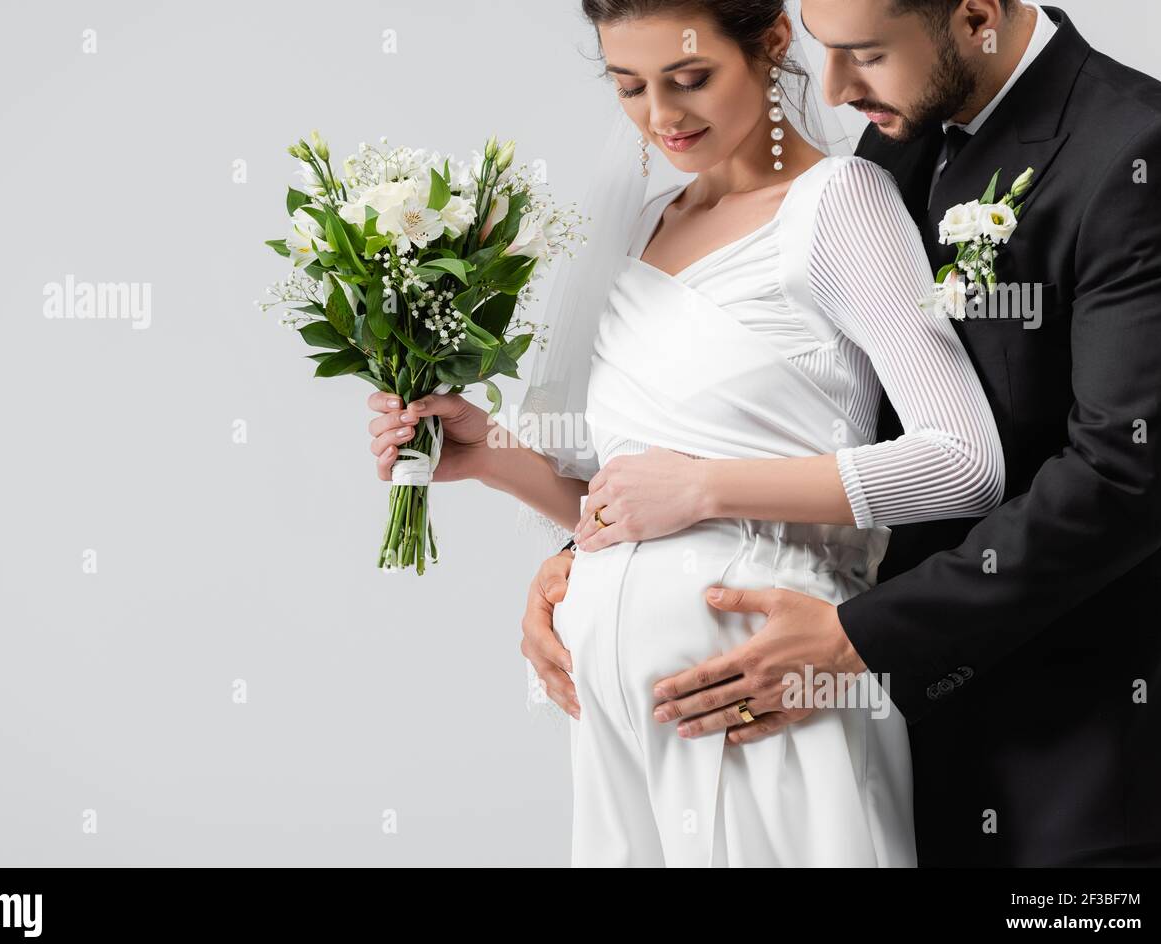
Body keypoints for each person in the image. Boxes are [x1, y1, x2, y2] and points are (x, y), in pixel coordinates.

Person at [527, 0, 1161, 867]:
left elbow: (1121, 482)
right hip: (891, 730)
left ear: (975, 15)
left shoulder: (1138, 153)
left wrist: (861, 638)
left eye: (864, 53)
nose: (833, 90)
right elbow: (805, 411)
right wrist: (590, 558)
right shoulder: (893, 141)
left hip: (1074, 765)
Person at [367, 0, 1007, 865]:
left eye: (690, 78)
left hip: (762, 685)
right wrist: (490, 456)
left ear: (773, 41)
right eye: (630, 85)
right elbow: (628, 505)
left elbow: (963, 462)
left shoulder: (837, 204)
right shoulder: (639, 226)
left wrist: (708, 485)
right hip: (618, 716)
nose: (662, 116)